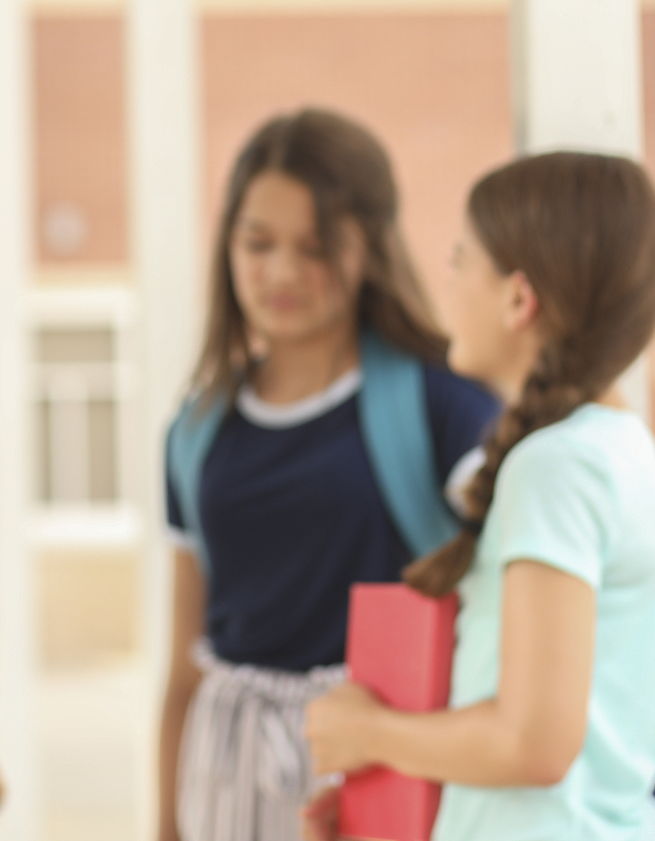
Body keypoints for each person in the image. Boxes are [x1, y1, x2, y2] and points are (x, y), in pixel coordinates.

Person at [303, 151, 655, 841]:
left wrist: (371, 733)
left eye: (458, 263)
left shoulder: (556, 466)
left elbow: (533, 744)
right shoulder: (613, 444)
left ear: (517, 299)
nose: (445, 287)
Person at [159, 109, 500, 841]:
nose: (280, 272)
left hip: (382, 758)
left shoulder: (447, 407)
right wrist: (162, 823)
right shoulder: (196, 431)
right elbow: (185, 660)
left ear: (369, 249)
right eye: (257, 242)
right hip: (225, 772)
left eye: (313, 247)